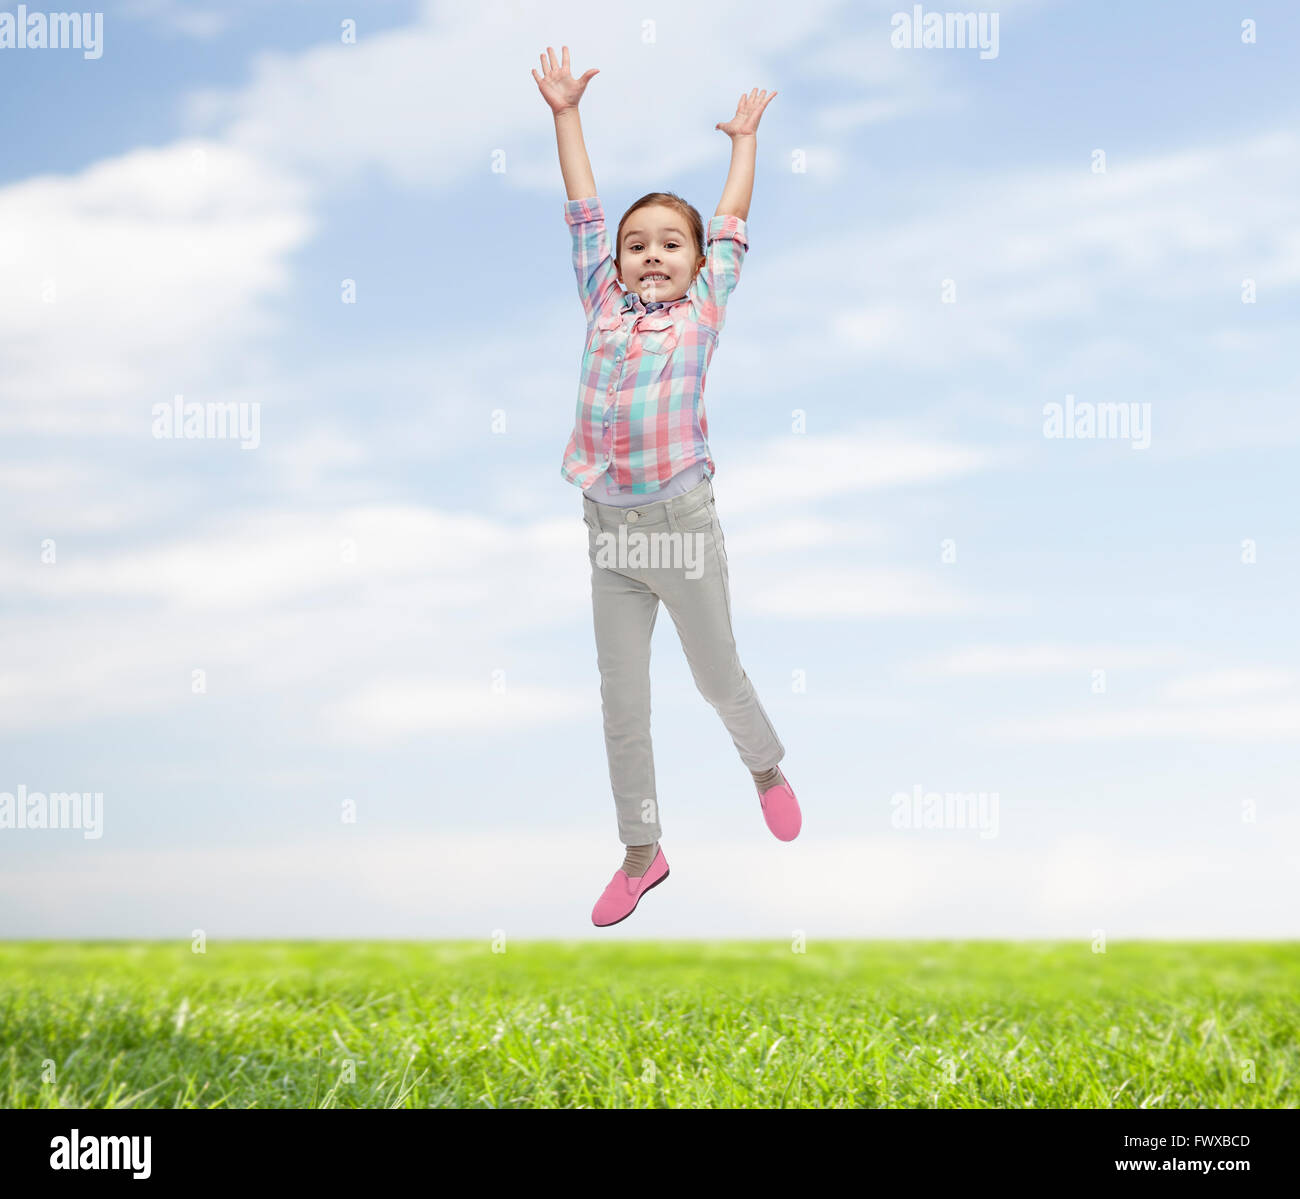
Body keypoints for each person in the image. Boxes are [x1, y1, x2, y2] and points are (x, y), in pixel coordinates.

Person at [532, 46, 800, 928]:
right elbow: (581, 206)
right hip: (608, 532)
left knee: (717, 678)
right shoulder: (601, 302)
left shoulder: (706, 308)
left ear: (696, 263)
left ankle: (763, 767)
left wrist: (743, 142)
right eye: (636, 246)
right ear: (614, 263)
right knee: (622, 703)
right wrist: (565, 114)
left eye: (670, 246)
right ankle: (642, 852)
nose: (652, 256)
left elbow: (730, 218)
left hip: (681, 526)